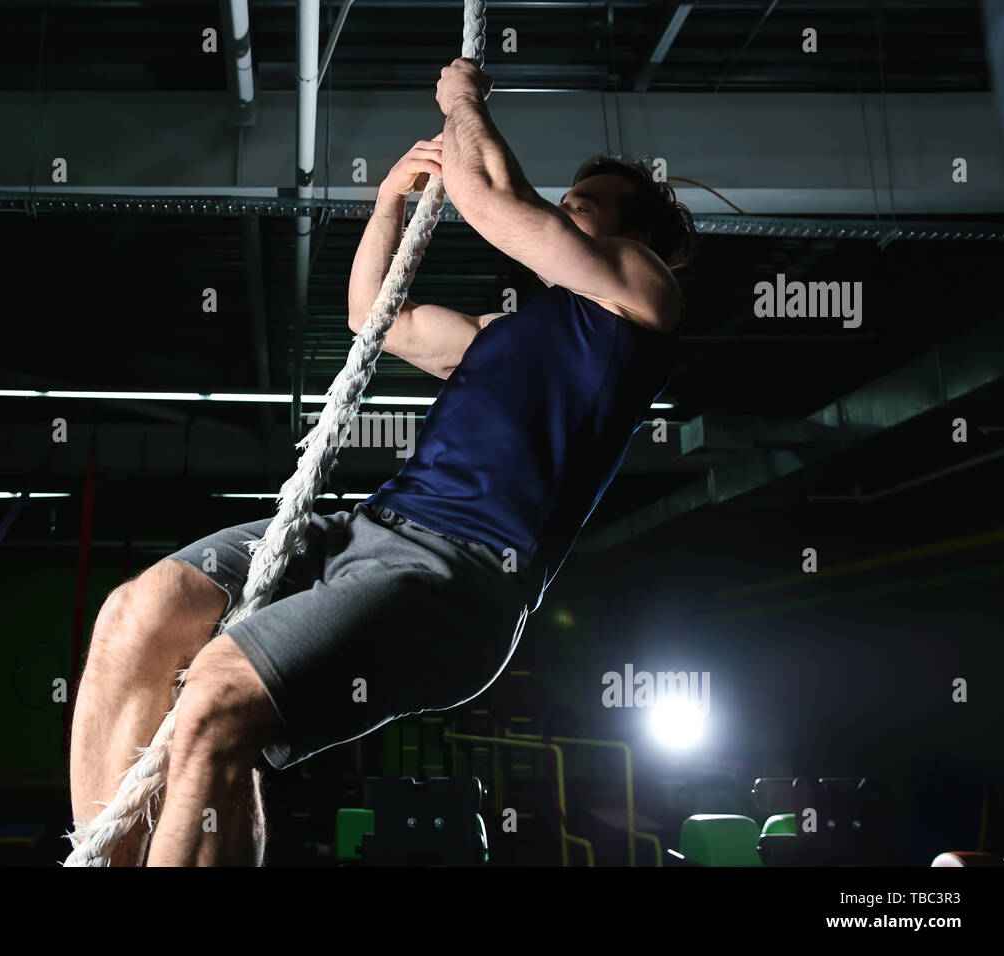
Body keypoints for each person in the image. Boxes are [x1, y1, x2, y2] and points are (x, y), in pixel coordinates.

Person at [69, 57, 696, 866]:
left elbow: (497, 203)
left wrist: (461, 101)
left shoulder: (641, 299)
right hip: (362, 530)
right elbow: (375, 315)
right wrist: (389, 203)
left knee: (216, 700)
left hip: (454, 581)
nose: (568, 202)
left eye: (588, 201)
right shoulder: (496, 334)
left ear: (635, 236)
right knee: (140, 614)